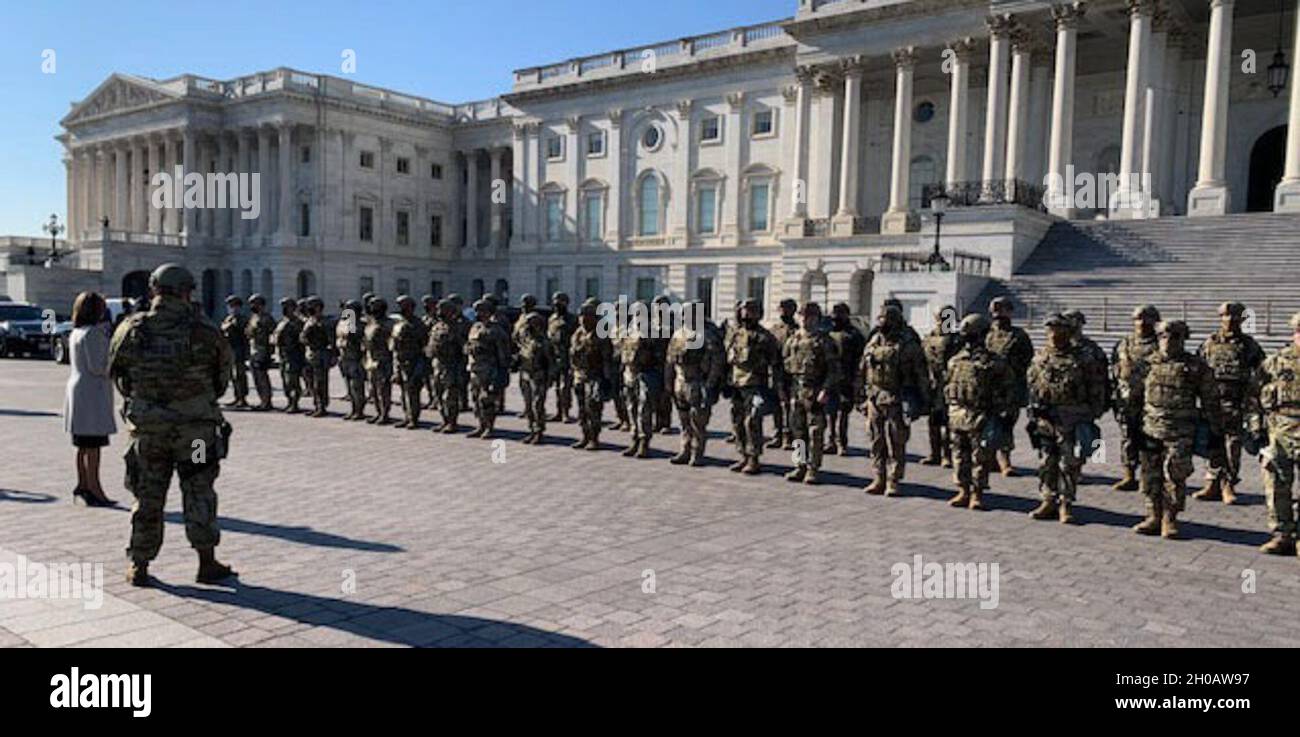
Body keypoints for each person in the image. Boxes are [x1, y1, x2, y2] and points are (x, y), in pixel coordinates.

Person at [108, 264, 234, 587]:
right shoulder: (205, 331)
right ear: (187, 291)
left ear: (154, 290)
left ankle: (140, 563)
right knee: (198, 490)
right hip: (194, 435)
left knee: (148, 495)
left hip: (150, 432)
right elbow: (222, 380)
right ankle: (206, 562)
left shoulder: (131, 328)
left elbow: (118, 375)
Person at [1136, 320, 1223, 539]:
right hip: (1150, 428)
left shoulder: (1195, 366)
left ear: (1183, 339)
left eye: (1174, 336)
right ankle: (1153, 514)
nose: (1168, 340)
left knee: (1175, 474)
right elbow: (1135, 395)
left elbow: (1210, 400)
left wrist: (1214, 430)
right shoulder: (1147, 363)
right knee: (1149, 474)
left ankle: (1170, 517)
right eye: (1163, 336)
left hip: (1181, 430)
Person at [1026, 314, 1107, 524]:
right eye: (1050, 330)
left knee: (1069, 464)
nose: (1053, 335)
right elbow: (1032, 385)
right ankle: (1048, 499)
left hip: (1072, 417)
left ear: (1067, 332)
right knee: (1046, 461)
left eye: (1058, 330)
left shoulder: (1082, 358)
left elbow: (1097, 388)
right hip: (1046, 418)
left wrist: (1091, 414)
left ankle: (1066, 503)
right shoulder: (1040, 357)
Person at [1194, 302, 1266, 505]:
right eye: (1226, 316)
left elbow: (1262, 373)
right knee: (1212, 443)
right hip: (1212, 403)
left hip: (1237, 404)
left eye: (1235, 316)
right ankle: (1212, 482)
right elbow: (1198, 370)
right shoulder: (1209, 343)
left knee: (1233, 445)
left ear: (1242, 319)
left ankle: (1228, 483)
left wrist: (1254, 402)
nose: (1230, 320)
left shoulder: (1249, 346)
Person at [944, 314, 1017, 511]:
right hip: (959, 414)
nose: (968, 340)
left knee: (980, 457)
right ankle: (963, 490)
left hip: (982, 415)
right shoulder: (956, 360)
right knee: (959, 454)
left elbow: (1008, 387)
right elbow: (948, 385)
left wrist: (1002, 410)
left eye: (972, 335)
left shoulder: (995, 362)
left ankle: (977, 493)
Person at [860, 305, 929, 495]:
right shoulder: (874, 341)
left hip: (897, 398)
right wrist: (861, 396)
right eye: (880, 318)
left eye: (886, 319)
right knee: (876, 439)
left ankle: (894, 479)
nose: (882, 322)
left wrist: (923, 400)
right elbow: (863, 370)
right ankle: (878, 476)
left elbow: (920, 374)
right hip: (875, 396)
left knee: (896, 441)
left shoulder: (908, 345)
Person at [1252, 312, 1300, 555]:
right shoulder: (1275, 362)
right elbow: (1254, 395)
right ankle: (1282, 534)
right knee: (1276, 485)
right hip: (1279, 435)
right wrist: (1255, 427)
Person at [64, 291, 117, 507]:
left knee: (82, 446)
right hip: (91, 394)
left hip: (79, 391)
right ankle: (95, 489)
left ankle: (83, 484)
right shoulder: (94, 333)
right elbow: (99, 366)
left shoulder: (76, 331)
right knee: (94, 446)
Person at [783, 302, 840, 485]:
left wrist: (825, 390)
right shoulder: (793, 340)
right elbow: (785, 365)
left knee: (815, 432)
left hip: (815, 390)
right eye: (802, 316)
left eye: (809, 317)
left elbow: (834, 370)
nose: (805, 320)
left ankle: (812, 468)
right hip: (796, 389)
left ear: (816, 319)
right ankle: (799, 465)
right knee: (797, 431)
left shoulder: (824, 341)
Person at [726, 299, 784, 474]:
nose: (746, 314)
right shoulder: (736, 334)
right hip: (737, 384)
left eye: (750, 311)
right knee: (737, 421)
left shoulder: (764, 338)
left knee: (752, 422)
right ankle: (742, 454)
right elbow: (728, 359)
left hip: (755, 385)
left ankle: (754, 458)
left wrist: (776, 389)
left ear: (758, 314)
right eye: (744, 310)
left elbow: (775, 365)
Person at [667, 300, 725, 466]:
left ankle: (697, 452)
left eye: (690, 313)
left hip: (698, 383)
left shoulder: (706, 335)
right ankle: (684, 449)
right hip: (680, 382)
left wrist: (710, 384)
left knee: (698, 421)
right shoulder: (678, 334)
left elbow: (717, 362)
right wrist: (669, 381)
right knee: (683, 420)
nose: (686, 317)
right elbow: (670, 360)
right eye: (684, 313)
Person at [1110, 304, 1161, 490]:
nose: (1142, 323)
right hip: (1128, 401)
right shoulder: (1123, 344)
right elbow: (1114, 371)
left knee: (1152, 441)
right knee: (1128, 438)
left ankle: (1150, 477)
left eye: (1147, 319)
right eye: (1138, 318)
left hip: (1153, 402)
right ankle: (1129, 475)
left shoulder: (1161, 345)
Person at [984, 296, 1034, 476]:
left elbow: (1028, 361)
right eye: (995, 310)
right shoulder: (985, 333)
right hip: (988, 388)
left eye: (1002, 309)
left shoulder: (1019, 336)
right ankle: (990, 458)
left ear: (1010, 312)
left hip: (1010, 388)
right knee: (987, 423)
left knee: (1006, 424)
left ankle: (1005, 460)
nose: (998, 313)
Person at [619, 300, 669, 458]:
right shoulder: (629, 331)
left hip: (647, 375)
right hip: (630, 374)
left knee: (644, 410)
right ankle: (634, 439)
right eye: (635, 313)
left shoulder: (654, 332)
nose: (637, 316)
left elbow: (661, 357)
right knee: (631, 409)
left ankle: (644, 442)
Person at [570, 297, 615, 450]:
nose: (583, 320)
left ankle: (594, 438)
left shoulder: (601, 334)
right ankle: (585, 436)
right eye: (581, 316)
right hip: (580, 375)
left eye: (586, 316)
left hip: (595, 376)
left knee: (594, 409)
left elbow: (607, 359)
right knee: (582, 409)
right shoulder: (577, 334)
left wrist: (607, 379)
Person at [466, 298, 512, 439]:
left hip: (489, 370)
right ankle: (480, 425)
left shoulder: (496, 330)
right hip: (475, 369)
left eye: (481, 311)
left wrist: (500, 375)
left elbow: (503, 355)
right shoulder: (475, 327)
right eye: (477, 311)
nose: (478, 314)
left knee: (488, 401)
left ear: (489, 312)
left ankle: (489, 427)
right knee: (476, 399)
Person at [921, 304, 961, 467]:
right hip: (932, 384)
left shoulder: (957, 339)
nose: (942, 322)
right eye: (940, 318)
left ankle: (947, 455)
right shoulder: (928, 338)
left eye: (946, 318)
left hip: (950, 384)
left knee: (948, 422)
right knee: (933, 421)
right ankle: (934, 453)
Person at [825, 303, 866, 457]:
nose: (835, 317)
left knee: (843, 412)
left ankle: (842, 442)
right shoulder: (827, 333)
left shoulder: (854, 335)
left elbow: (861, 359)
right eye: (834, 314)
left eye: (839, 314)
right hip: (830, 379)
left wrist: (857, 380)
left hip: (846, 379)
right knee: (831, 412)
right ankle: (831, 441)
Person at [517, 311, 556, 444]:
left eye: (532, 324)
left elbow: (551, 362)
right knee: (528, 405)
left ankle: (539, 431)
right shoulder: (525, 339)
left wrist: (550, 377)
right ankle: (532, 430)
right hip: (526, 374)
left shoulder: (544, 342)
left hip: (539, 376)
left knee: (537, 405)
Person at [765, 298, 799, 450]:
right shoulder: (774, 330)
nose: (784, 311)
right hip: (777, 372)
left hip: (793, 374)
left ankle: (789, 435)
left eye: (787, 308)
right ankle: (778, 433)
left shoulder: (798, 329)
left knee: (791, 406)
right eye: (782, 308)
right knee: (777, 405)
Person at [390, 295, 428, 429]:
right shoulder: (398, 324)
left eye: (404, 306)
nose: (402, 309)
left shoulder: (418, 325)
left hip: (413, 361)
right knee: (404, 393)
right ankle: (406, 416)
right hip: (400, 362)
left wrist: (420, 367)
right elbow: (394, 346)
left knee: (412, 392)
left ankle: (414, 418)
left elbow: (424, 347)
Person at [363, 297, 394, 425]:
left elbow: (392, 343)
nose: (372, 309)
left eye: (375, 306)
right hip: (371, 359)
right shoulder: (371, 323)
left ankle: (384, 413)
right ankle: (378, 412)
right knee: (373, 389)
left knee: (383, 389)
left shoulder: (389, 324)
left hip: (383, 360)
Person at [299, 296, 332, 417]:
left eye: (312, 306)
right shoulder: (310, 320)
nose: (309, 308)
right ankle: (316, 405)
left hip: (320, 354)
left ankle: (322, 406)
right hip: (310, 354)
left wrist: (331, 355)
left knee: (320, 383)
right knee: (311, 382)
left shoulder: (324, 322)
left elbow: (330, 341)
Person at [548, 292, 578, 424]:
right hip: (555, 356)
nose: (557, 306)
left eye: (560, 303)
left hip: (567, 356)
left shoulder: (572, 319)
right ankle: (558, 411)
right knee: (556, 387)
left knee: (565, 386)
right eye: (555, 303)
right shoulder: (552, 319)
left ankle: (566, 412)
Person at [271, 297, 305, 413]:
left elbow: (301, 340)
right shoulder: (282, 322)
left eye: (287, 307)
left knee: (292, 381)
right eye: (284, 307)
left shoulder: (298, 323)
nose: (285, 309)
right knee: (286, 381)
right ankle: (289, 401)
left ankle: (294, 403)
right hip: (283, 355)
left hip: (293, 356)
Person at [336, 299, 367, 421]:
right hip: (345, 357)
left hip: (355, 358)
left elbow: (354, 336)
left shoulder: (359, 325)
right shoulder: (343, 323)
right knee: (349, 386)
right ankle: (354, 408)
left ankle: (359, 410)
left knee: (357, 386)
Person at [244, 294, 275, 411]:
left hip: (262, 350)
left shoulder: (267, 318)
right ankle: (262, 400)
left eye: (255, 303)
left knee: (262, 377)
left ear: (261, 305)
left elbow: (272, 335)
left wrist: (269, 352)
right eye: (251, 303)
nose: (252, 306)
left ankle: (267, 401)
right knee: (256, 377)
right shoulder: (253, 318)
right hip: (254, 350)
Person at [220, 295, 250, 409]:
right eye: (230, 305)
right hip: (229, 350)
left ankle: (242, 398)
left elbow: (244, 335)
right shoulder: (228, 318)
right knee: (233, 376)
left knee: (239, 375)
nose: (231, 308)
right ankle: (237, 397)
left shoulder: (242, 319)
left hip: (238, 349)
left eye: (233, 305)